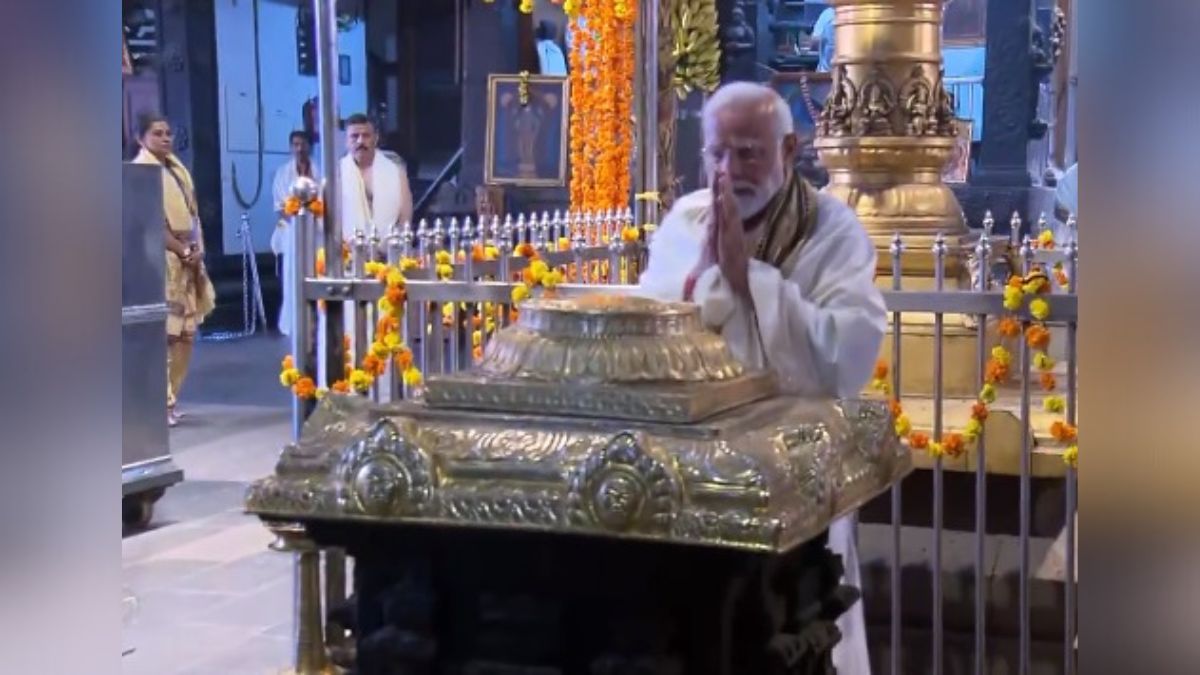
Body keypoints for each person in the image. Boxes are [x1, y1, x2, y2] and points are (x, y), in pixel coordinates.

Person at [637, 82, 885, 675]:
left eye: (749, 152)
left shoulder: (832, 230)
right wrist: (702, 275)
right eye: (718, 154)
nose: (731, 170)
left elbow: (845, 353)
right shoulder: (685, 220)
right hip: (693, 475)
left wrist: (750, 280)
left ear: (789, 148)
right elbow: (652, 331)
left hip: (793, 476)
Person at [131, 113, 217, 427]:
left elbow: (192, 214)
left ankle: (171, 399)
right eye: (157, 134)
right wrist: (181, 249)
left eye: (168, 133)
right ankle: (159, 403)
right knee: (163, 335)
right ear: (141, 139)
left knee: (186, 335)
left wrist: (196, 250)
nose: (166, 139)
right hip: (160, 259)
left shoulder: (176, 169)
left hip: (188, 257)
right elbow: (150, 220)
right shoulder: (140, 172)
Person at [270, 130, 321, 337]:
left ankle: (318, 320)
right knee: (292, 276)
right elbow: (280, 207)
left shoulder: (319, 170)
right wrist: (299, 219)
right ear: (291, 147)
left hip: (316, 231)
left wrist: (313, 216)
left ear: (309, 146)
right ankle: (293, 321)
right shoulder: (283, 173)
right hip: (293, 233)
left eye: (302, 144)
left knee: (318, 273)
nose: (299, 149)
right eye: (295, 144)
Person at [340, 113, 412, 242]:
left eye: (366, 136)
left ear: (376, 138)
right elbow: (326, 219)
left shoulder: (395, 171)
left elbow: (405, 216)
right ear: (346, 141)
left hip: (388, 251)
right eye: (354, 136)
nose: (360, 141)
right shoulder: (336, 174)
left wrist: (396, 245)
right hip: (348, 252)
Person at [812, 5, 836, 73]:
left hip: (826, 73)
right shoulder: (858, 14)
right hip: (851, 72)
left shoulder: (828, 14)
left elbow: (815, 41)